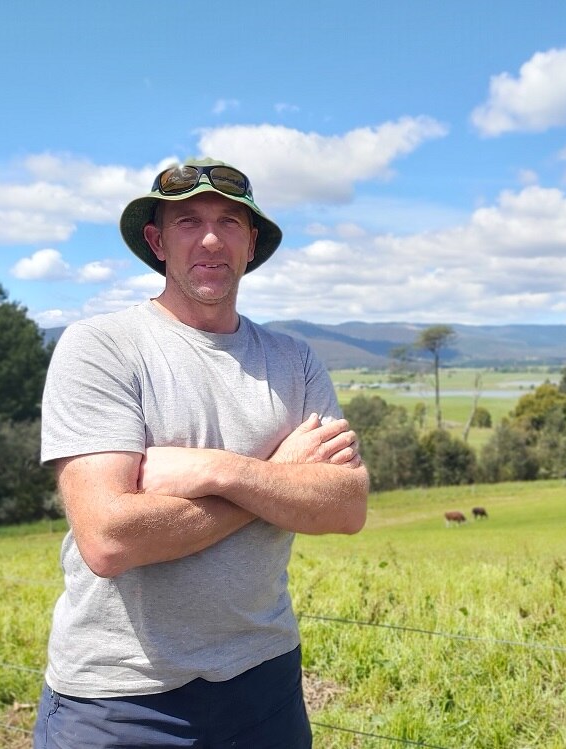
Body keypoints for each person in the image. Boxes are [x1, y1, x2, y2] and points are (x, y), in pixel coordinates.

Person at [33, 157, 369, 748]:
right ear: (157, 242)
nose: (210, 238)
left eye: (229, 222)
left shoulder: (294, 360)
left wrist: (218, 470)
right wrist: (276, 480)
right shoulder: (102, 348)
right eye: (187, 222)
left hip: (265, 681)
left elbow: (345, 508)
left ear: (251, 241)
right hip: (121, 698)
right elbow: (109, 540)